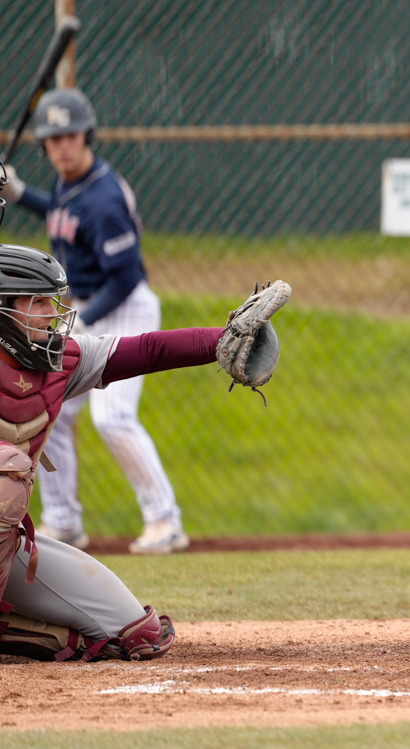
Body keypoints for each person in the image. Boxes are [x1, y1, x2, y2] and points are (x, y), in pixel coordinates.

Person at [0, 243, 287, 661]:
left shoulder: (59, 361)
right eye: (39, 301)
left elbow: (147, 349)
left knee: (133, 631)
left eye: (53, 299)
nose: (53, 312)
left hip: (7, 544)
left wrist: (220, 342)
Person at [0, 88, 184, 554]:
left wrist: (85, 322)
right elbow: (63, 213)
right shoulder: (71, 183)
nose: (62, 144)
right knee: (52, 412)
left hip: (120, 305)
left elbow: (125, 277)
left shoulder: (104, 199)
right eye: (52, 137)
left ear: (87, 136)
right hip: (85, 306)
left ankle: (165, 520)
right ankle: (64, 519)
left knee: (113, 417)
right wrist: (20, 195)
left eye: (70, 135)